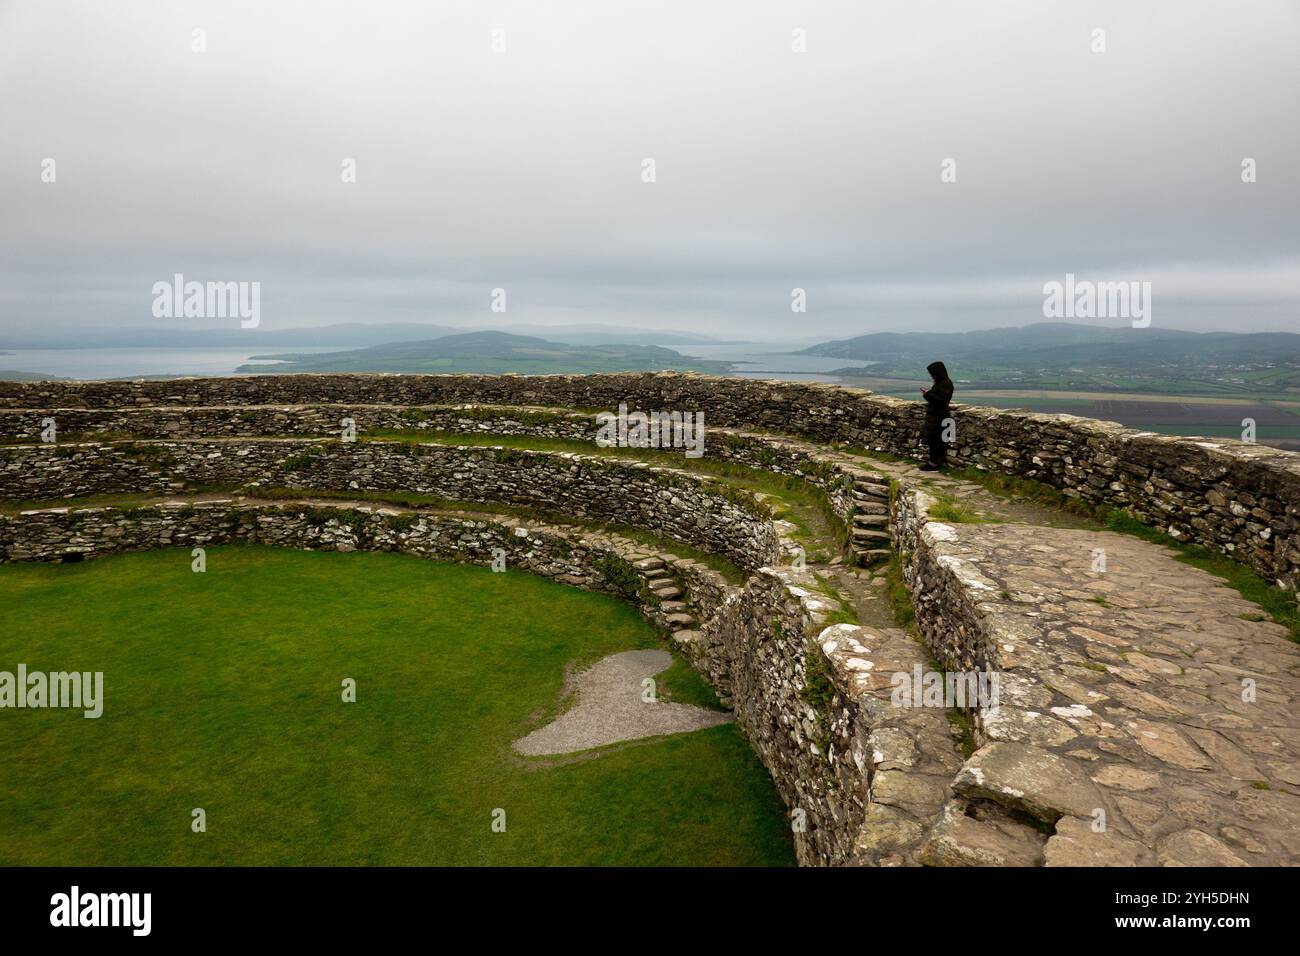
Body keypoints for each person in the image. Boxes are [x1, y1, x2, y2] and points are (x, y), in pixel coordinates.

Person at [919, 361, 954, 471]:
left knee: (937, 441)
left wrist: (927, 394)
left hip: (940, 417)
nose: (931, 376)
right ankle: (934, 462)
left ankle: (934, 463)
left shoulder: (945, 383)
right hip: (937, 416)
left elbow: (941, 400)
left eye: (932, 374)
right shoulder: (941, 382)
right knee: (935, 441)